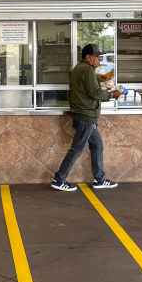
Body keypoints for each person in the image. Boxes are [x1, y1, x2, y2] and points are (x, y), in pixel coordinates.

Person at [51, 43, 121, 192]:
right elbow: (94, 93)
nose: (99, 61)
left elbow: (88, 88)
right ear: (88, 57)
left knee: (97, 145)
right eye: (97, 57)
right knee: (77, 148)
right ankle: (59, 179)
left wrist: (102, 80)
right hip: (86, 115)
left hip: (84, 114)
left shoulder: (79, 69)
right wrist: (111, 95)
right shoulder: (87, 70)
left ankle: (100, 178)